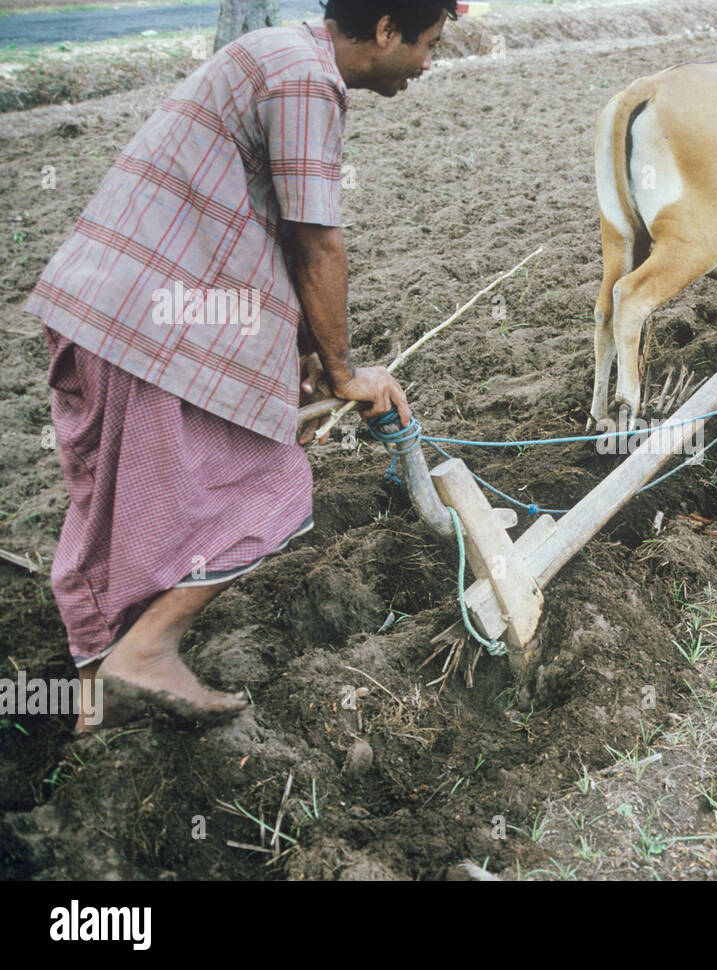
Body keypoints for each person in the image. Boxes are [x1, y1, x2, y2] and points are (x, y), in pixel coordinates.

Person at [25, 0, 458, 732]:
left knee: (112, 507)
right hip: (148, 319)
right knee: (270, 487)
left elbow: (259, 221)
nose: (428, 63)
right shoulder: (308, 82)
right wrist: (347, 374)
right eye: (428, 45)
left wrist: (310, 359)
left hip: (100, 303)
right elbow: (315, 241)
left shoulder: (275, 52)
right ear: (385, 29)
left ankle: (93, 711)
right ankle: (150, 649)